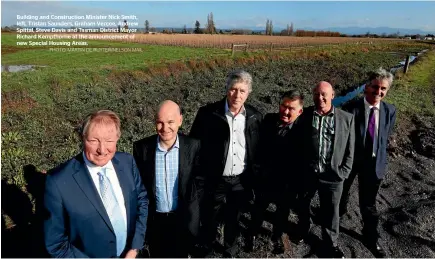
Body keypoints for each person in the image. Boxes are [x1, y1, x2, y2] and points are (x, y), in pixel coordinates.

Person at [44, 110, 148, 258]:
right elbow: (56, 244)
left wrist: (135, 247)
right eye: (94, 141)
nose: (102, 149)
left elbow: (141, 201)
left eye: (109, 141)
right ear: (82, 138)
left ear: (117, 139)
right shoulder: (58, 182)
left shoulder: (127, 162)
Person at [190, 70, 262, 257]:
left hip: (241, 179)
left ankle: (230, 247)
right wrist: (200, 177)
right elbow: (194, 147)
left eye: (242, 91)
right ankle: (206, 245)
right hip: (215, 178)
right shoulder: (208, 114)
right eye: (233, 89)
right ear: (226, 89)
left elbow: (258, 149)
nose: (237, 95)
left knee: (234, 216)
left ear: (249, 93)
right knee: (210, 215)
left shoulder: (254, 116)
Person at [133, 100, 202, 258]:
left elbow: (199, 181)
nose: (165, 128)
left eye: (170, 122)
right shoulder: (142, 148)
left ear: (180, 120)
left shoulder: (193, 146)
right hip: (155, 220)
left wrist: (196, 209)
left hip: (182, 218)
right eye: (160, 122)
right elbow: (139, 187)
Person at [339, 68, 396, 258]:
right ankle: (337, 219)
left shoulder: (390, 111)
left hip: (374, 163)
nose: (378, 92)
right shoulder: (350, 108)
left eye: (383, 89)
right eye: (375, 87)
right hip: (351, 161)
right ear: (366, 87)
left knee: (369, 204)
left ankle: (371, 237)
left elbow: (384, 137)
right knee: (342, 192)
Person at [298, 81, 355, 258]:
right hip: (309, 173)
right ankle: (302, 230)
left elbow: (350, 149)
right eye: (316, 94)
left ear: (333, 95)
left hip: (333, 176)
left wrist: (344, 171)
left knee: (331, 211)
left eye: (324, 94)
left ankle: (331, 243)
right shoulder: (304, 115)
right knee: (302, 204)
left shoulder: (346, 118)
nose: (320, 98)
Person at [246, 89, 305, 254]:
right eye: (283, 106)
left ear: (299, 111)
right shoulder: (268, 120)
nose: (285, 111)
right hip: (265, 178)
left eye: (291, 109)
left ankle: (277, 236)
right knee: (258, 208)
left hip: (287, 182)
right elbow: (258, 146)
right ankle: (252, 234)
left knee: (282, 212)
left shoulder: (304, 130)